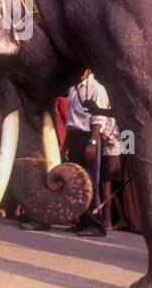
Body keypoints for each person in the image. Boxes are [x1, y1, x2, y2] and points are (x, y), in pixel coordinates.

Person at [51, 69, 120, 238]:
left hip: (89, 137)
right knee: (76, 182)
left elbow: (99, 119)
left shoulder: (97, 88)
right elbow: (70, 122)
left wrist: (93, 142)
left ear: (88, 71)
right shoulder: (73, 89)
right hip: (74, 137)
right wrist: (65, 145)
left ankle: (96, 225)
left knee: (90, 182)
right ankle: (82, 220)